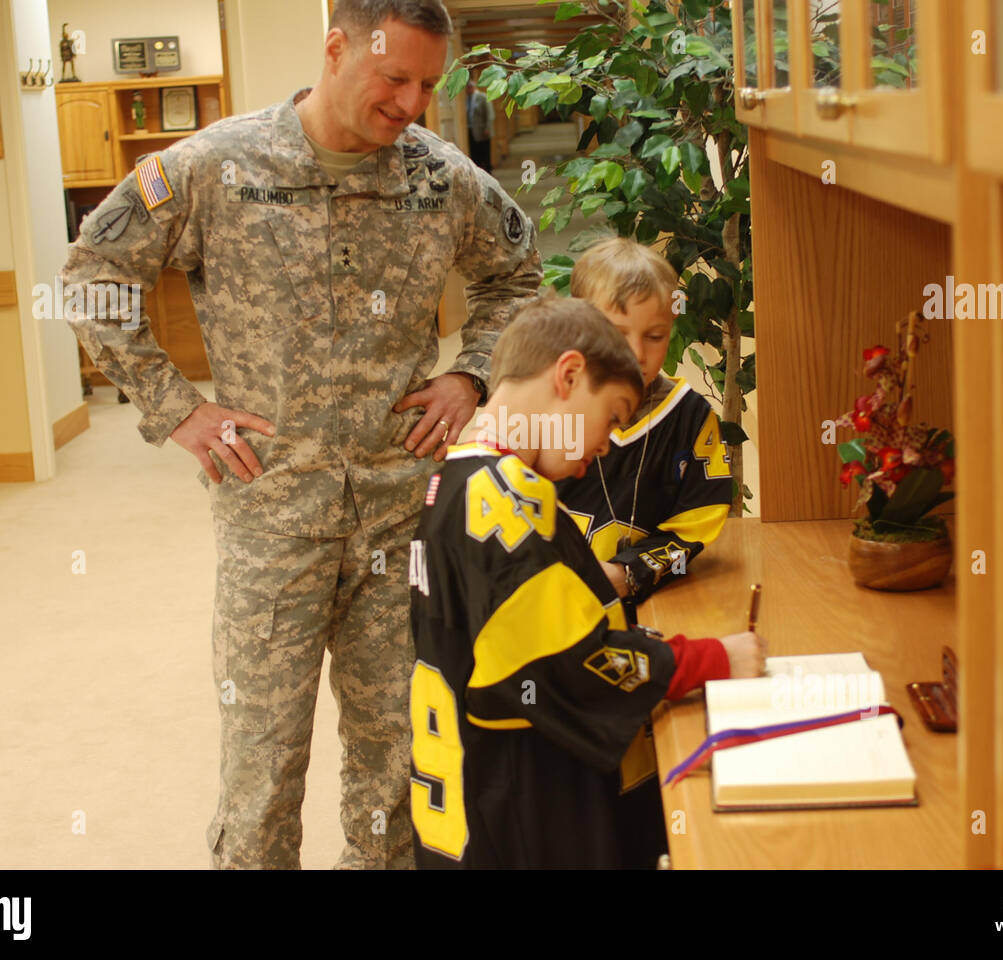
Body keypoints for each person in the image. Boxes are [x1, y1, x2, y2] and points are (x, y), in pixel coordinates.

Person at [60, 0, 542, 869]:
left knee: (396, 769)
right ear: (335, 47)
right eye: (393, 78)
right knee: (262, 778)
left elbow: (516, 272)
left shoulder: (438, 176)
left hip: (399, 516)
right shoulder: (215, 167)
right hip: (271, 521)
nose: (411, 105)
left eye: (429, 85)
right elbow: (92, 275)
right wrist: (179, 409)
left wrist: (471, 375)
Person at [407, 296, 764, 868]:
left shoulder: (462, 479)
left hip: (481, 795)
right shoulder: (500, 506)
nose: (605, 445)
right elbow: (574, 665)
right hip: (522, 815)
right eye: (613, 415)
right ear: (569, 375)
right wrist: (708, 660)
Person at [556, 237, 733, 616]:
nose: (636, 354)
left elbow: (696, 521)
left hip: (654, 604)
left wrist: (628, 573)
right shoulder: (544, 409)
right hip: (552, 606)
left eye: (655, 337)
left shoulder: (689, 416)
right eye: (616, 334)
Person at [465, 80, 494, 172]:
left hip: (482, 130)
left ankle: (488, 171)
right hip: (470, 129)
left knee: (485, 152)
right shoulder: (466, 99)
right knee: (474, 153)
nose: (467, 90)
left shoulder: (482, 97)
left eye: (469, 88)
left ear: (472, 87)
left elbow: (490, 114)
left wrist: (487, 128)